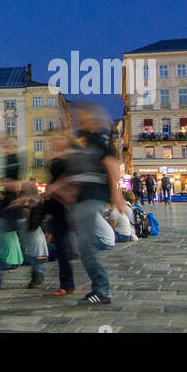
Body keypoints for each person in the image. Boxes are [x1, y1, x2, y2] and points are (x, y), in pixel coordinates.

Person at [49, 105, 127, 306]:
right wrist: (60, 188)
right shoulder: (81, 141)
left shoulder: (96, 138)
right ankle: (100, 289)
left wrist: (116, 194)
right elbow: (73, 171)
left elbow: (110, 164)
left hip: (93, 195)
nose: (75, 119)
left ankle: (102, 289)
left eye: (78, 116)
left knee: (86, 245)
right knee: (84, 245)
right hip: (83, 198)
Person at [45, 135, 77, 297]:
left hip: (63, 207)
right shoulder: (58, 159)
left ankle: (67, 284)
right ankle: (66, 283)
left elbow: (68, 180)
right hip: (56, 207)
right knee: (61, 246)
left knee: (62, 247)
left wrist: (54, 188)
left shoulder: (67, 161)